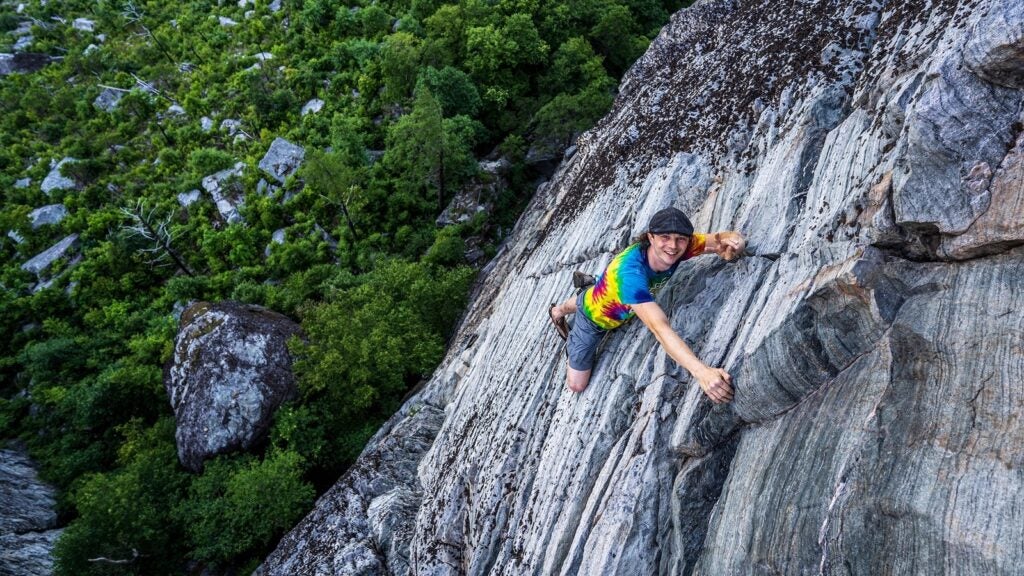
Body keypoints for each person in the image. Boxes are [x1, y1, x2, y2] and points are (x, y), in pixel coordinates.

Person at [548, 207, 745, 403]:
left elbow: (722, 238)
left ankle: (576, 297)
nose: (673, 246)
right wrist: (701, 372)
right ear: (650, 238)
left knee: (593, 296)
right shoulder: (630, 275)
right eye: (665, 237)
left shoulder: (680, 247)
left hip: (608, 296)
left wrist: (735, 244)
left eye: (680, 239)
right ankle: (570, 329)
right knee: (577, 384)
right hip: (595, 320)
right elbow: (659, 328)